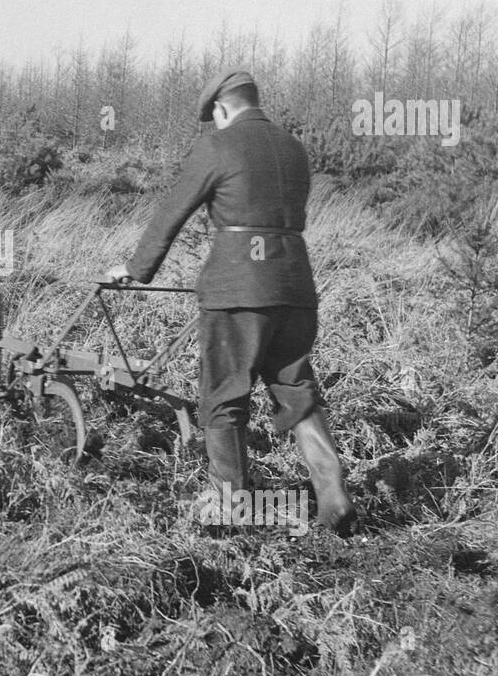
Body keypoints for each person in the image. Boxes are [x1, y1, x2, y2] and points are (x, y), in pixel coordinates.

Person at [105, 70, 356, 534]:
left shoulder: (217, 146)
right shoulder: (294, 148)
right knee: (295, 388)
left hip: (238, 287)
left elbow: (172, 211)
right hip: (296, 286)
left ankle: (229, 505)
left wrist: (136, 270)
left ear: (221, 109)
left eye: (214, 117)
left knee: (224, 395)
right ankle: (332, 492)